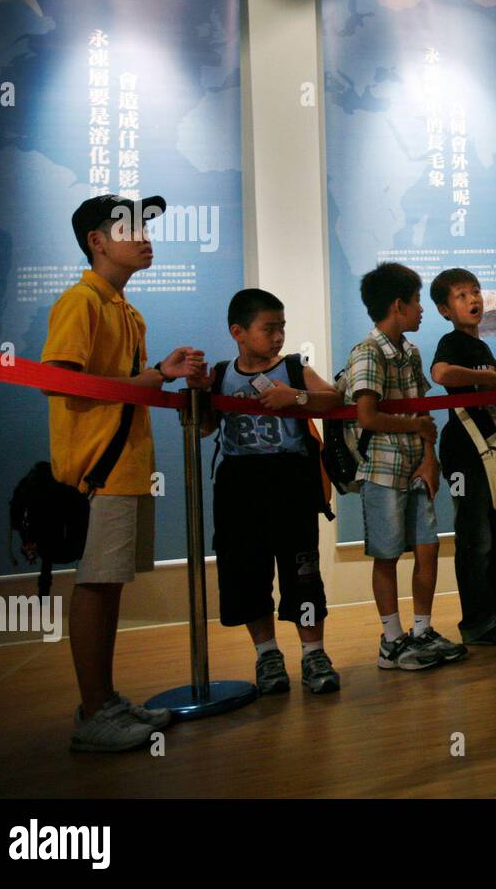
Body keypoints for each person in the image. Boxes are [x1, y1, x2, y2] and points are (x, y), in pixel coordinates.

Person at [42, 194, 202, 751]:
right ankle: (92, 714)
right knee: (95, 586)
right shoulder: (80, 301)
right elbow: (62, 382)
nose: (144, 236)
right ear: (97, 241)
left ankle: (104, 700)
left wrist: (166, 373)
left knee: (107, 588)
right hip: (96, 474)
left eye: (146, 226)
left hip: (126, 469)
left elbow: (127, 387)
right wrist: (158, 372)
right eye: (128, 227)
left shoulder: (127, 311)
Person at [188, 289, 343, 694]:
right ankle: (267, 655)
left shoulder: (293, 368)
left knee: (302, 573)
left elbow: (334, 399)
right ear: (238, 332)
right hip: (240, 484)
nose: (277, 337)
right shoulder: (222, 373)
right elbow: (205, 428)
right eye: (268, 329)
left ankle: (314, 654)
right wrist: (201, 391)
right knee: (246, 573)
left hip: (290, 480)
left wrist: (297, 397)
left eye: (282, 328)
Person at [344, 263, 467, 671]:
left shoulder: (411, 353)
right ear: (398, 305)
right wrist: (412, 426)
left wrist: (430, 461)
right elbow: (366, 415)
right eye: (416, 302)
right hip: (381, 470)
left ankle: (422, 629)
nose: (421, 310)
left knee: (428, 547)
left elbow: (424, 415)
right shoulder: (368, 351)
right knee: (387, 553)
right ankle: (391, 638)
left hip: (417, 468)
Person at [428, 268, 496, 646]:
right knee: (475, 536)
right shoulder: (450, 341)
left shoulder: (483, 346)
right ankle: (476, 621)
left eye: (475, 292)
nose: (473, 300)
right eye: (460, 295)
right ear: (444, 309)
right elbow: (441, 374)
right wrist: (489, 379)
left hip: (493, 449)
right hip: (463, 452)